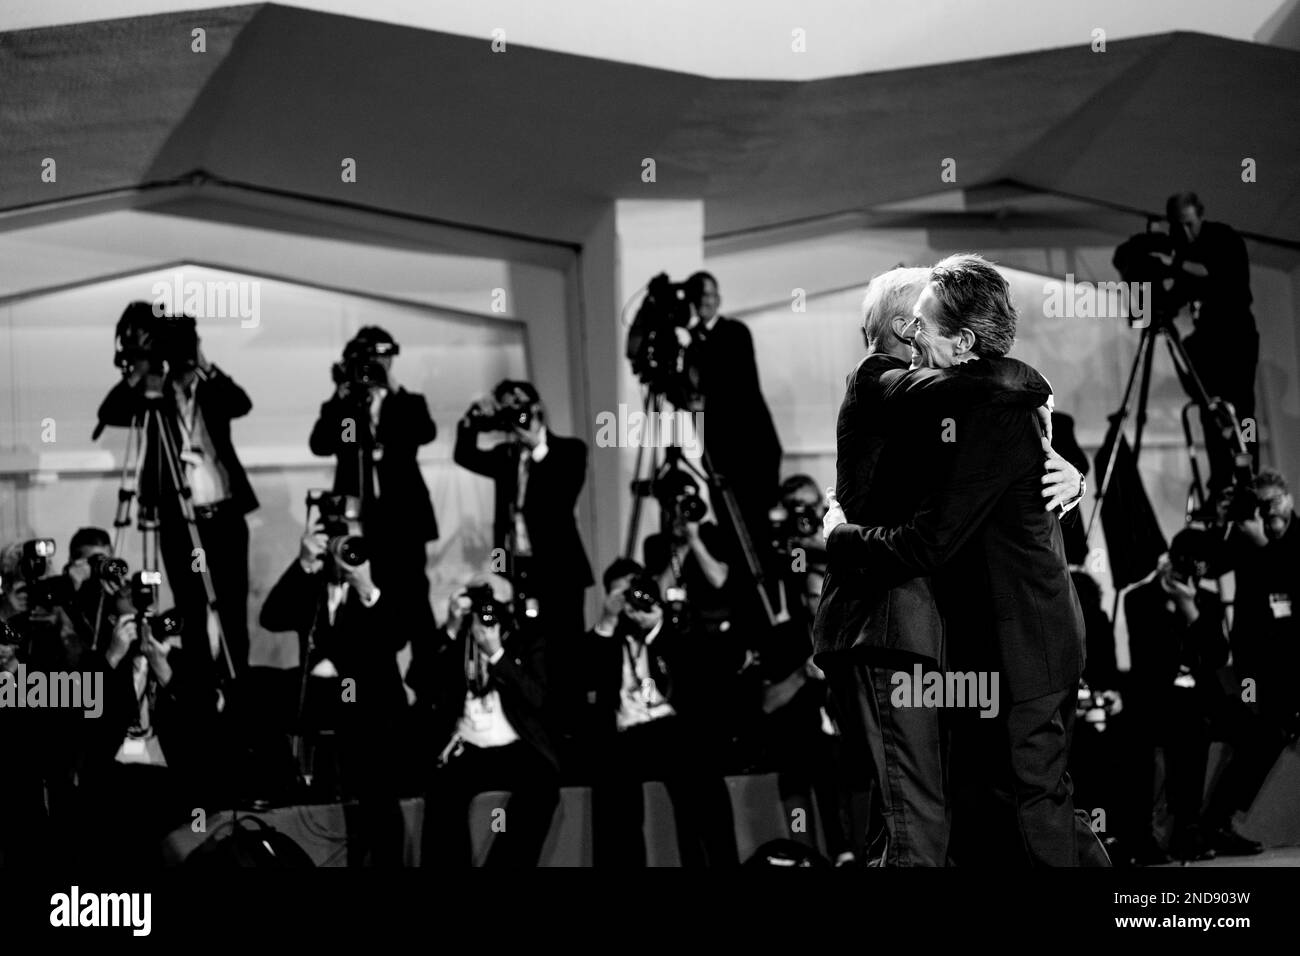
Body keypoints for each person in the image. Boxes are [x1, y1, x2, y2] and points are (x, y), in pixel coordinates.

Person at [823, 254, 1091, 867]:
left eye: (928, 325)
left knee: (1026, 803)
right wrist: (1033, 380)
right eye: (913, 324)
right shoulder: (882, 381)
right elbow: (980, 386)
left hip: (1013, 638)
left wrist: (1072, 484)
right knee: (967, 809)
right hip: (915, 629)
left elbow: (936, 538)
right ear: (897, 330)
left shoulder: (985, 412)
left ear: (960, 339)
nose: (918, 336)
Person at [96, 303, 257, 686]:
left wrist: (203, 364)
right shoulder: (157, 390)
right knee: (192, 611)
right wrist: (142, 368)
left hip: (225, 518)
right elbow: (111, 411)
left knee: (233, 611)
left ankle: (237, 694)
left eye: (193, 341)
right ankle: (200, 693)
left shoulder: (211, 387)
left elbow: (242, 404)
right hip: (180, 522)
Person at [259, 513, 409, 866]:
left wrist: (366, 588)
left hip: (372, 706)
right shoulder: (311, 581)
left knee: (378, 802)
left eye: (354, 544)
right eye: (339, 543)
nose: (346, 551)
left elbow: (397, 638)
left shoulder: (380, 578)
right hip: (325, 705)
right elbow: (271, 617)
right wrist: (304, 561)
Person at [453, 380, 593, 735]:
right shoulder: (506, 455)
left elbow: (562, 499)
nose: (516, 416)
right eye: (508, 409)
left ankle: (573, 729)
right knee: (530, 647)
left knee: (566, 650)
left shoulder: (569, 450)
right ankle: (538, 726)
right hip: (519, 568)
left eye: (520, 407)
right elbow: (465, 455)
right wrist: (472, 419)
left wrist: (537, 445)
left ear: (538, 408)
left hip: (560, 569)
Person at [587, 559, 739, 867]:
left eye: (636, 591)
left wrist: (656, 625)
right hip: (625, 735)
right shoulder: (605, 637)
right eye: (622, 595)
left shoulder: (672, 627)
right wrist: (607, 620)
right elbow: (586, 677)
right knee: (611, 788)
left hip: (671, 728)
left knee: (702, 774)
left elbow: (696, 672)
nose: (631, 601)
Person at [413, 574, 559, 867]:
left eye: (495, 604)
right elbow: (418, 680)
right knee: (442, 794)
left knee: (543, 786)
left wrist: (497, 655)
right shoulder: (457, 639)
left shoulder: (526, 639)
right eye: (482, 603)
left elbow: (537, 697)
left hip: (515, 745)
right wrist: (452, 628)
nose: (488, 612)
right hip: (469, 747)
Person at [309, 326, 439, 637]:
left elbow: (426, 432)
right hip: (361, 519)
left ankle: (429, 677)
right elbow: (320, 445)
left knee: (415, 597)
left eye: (385, 359)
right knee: (367, 597)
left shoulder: (408, 402)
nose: (379, 367)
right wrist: (342, 394)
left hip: (404, 517)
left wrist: (392, 388)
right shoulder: (346, 406)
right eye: (371, 361)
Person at [1123, 528, 1228, 862]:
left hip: (1194, 698)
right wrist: (1171, 606)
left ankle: (1189, 830)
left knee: (1194, 724)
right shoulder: (1139, 599)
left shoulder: (1208, 602)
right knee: (1148, 734)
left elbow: (1217, 656)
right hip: (1154, 695)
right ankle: (1141, 839)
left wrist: (1189, 609)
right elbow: (1148, 660)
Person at [678, 272, 783, 566]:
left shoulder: (734, 332)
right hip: (718, 454)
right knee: (732, 538)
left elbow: (739, 384)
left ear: (718, 298)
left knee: (758, 537)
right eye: (700, 296)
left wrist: (704, 398)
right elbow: (686, 394)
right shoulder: (691, 345)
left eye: (710, 295)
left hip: (750, 451)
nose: (706, 302)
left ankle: (769, 607)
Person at [1162, 192, 1259, 487]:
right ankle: (1221, 479)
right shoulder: (1182, 250)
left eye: (1190, 223)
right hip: (1206, 342)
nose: (1186, 232)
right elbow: (1178, 294)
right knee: (1210, 411)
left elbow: (1219, 274)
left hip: (1236, 336)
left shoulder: (1223, 238)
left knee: (1241, 408)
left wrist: (1172, 263)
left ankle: (1248, 473)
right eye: (1179, 226)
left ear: (1200, 215)